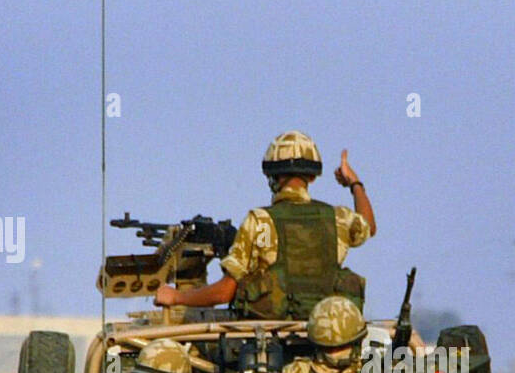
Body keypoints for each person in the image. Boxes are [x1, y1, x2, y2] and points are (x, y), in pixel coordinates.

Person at [154, 131, 376, 319]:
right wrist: (355, 184)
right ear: (313, 177)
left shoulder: (259, 221)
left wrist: (175, 297)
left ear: (272, 176)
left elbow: (224, 293)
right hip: (327, 333)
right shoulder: (338, 218)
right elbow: (368, 225)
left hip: (271, 338)